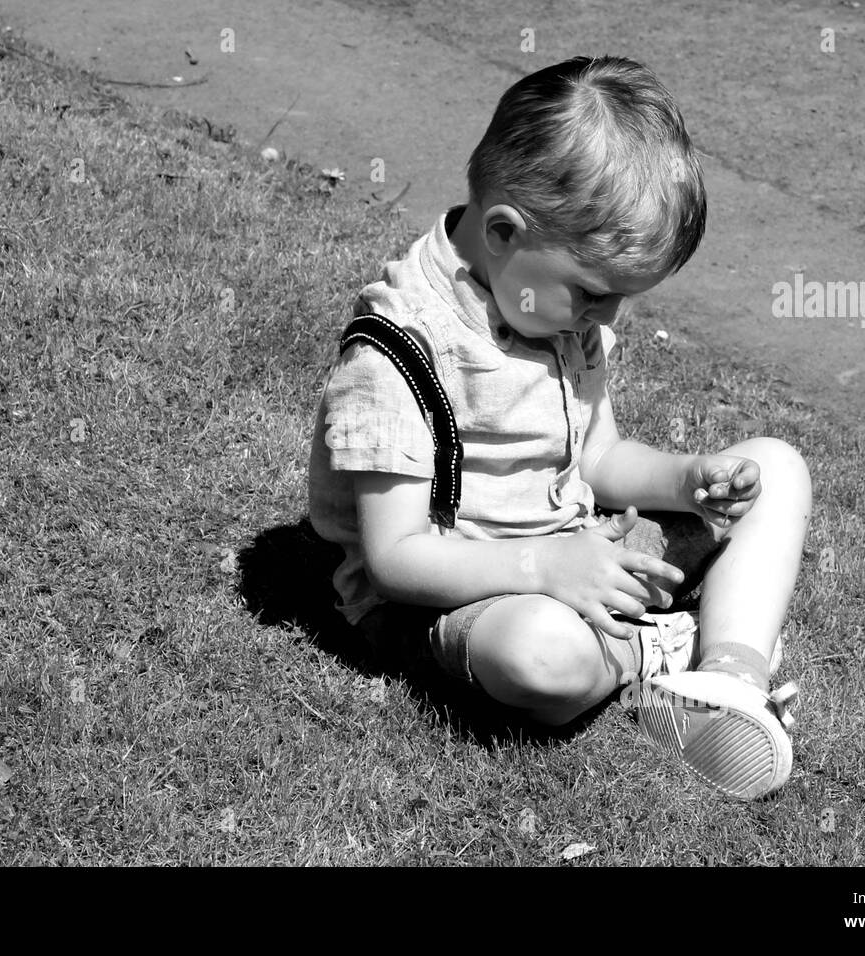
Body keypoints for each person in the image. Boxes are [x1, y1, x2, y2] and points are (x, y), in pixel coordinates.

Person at [307, 55, 811, 800]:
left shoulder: (547, 303)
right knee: (540, 654)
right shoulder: (397, 357)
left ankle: (730, 677)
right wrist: (547, 570)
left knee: (777, 466)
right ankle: (665, 654)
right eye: (595, 295)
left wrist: (687, 481)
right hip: (465, 598)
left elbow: (598, 456)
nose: (606, 320)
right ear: (505, 232)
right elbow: (396, 561)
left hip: (582, 555)